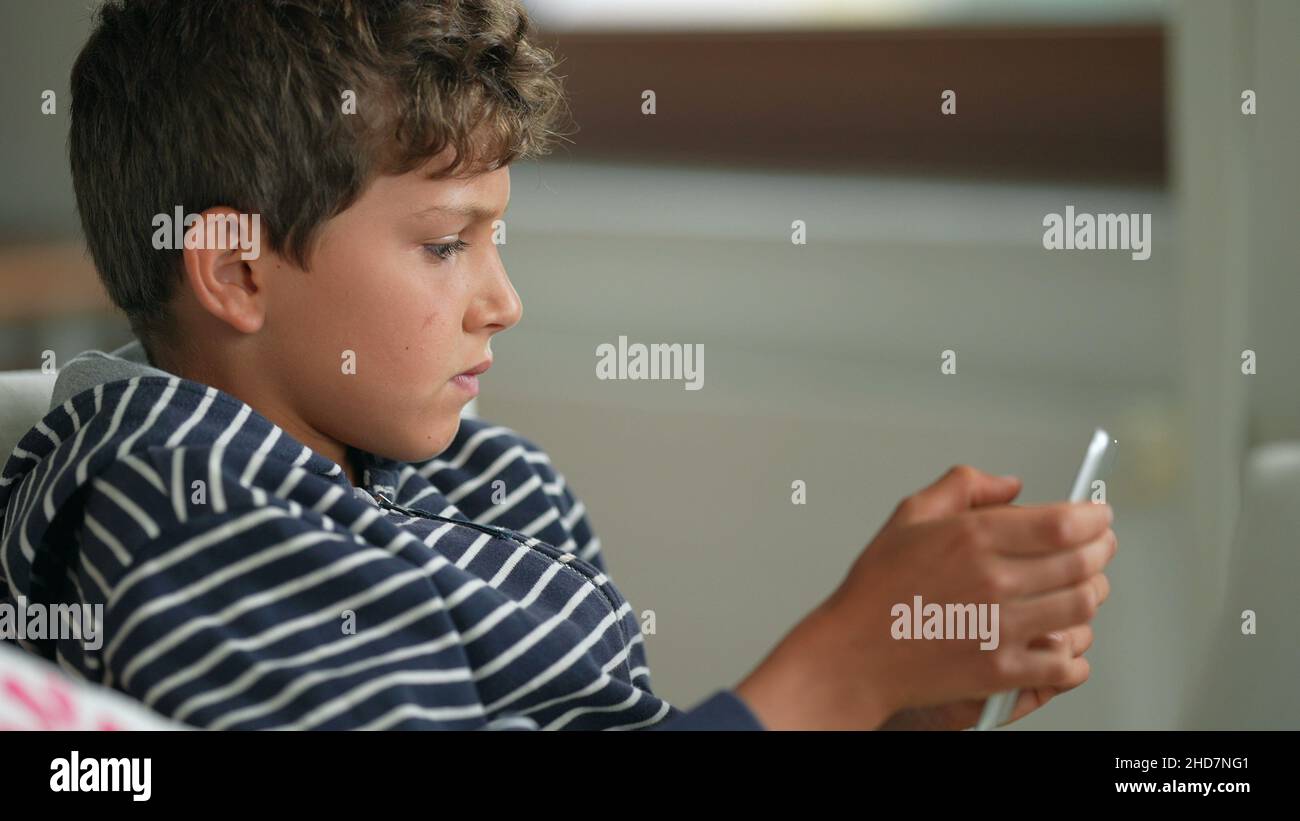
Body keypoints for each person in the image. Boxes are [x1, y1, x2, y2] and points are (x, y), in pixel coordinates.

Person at [0, 0, 1116, 730]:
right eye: (445, 244)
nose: (504, 301)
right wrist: (838, 670)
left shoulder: (491, 480)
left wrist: (908, 694)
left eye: (499, 238)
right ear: (236, 271)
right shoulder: (183, 505)